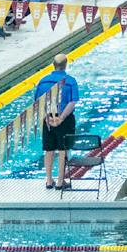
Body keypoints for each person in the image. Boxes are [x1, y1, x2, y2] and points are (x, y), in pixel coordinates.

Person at [34, 52, 80, 190]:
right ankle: (60, 181)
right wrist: (61, 118)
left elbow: (37, 103)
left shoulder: (43, 81)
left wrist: (46, 118)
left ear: (53, 65)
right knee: (62, 150)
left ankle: (49, 180)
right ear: (65, 65)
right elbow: (72, 102)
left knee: (48, 149)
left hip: (48, 119)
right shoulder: (70, 81)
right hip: (64, 120)